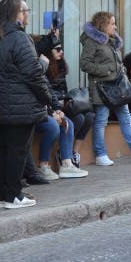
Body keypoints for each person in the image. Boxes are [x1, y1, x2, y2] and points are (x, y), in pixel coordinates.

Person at [0, 0, 53, 209]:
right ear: (17, 14)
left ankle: (0, 195)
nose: (27, 14)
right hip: (19, 105)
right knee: (17, 151)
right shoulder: (19, 38)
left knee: (2, 149)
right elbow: (32, 74)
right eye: (25, 10)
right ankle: (13, 195)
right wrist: (48, 98)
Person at [80, 11, 131, 165]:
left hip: (117, 88)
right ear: (102, 24)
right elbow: (85, 64)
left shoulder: (111, 41)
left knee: (126, 118)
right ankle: (100, 154)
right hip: (102, 88)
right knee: (101, 120)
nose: (115, 27)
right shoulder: (92, 41)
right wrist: (109, 70)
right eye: (112, 23)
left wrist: (118, 70)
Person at [35, 36, 88, 179]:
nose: (61, 52)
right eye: (57, 49)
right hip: (34, 111)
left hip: (50, 107)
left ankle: (67, 163)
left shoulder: (59, 66)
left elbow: (50, 93)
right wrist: (52, 111)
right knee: (54, 125)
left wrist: (57, 108)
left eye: (62, 48)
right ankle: (43, 165)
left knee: (74, 120)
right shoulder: (38, 68)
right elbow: (37, 94)